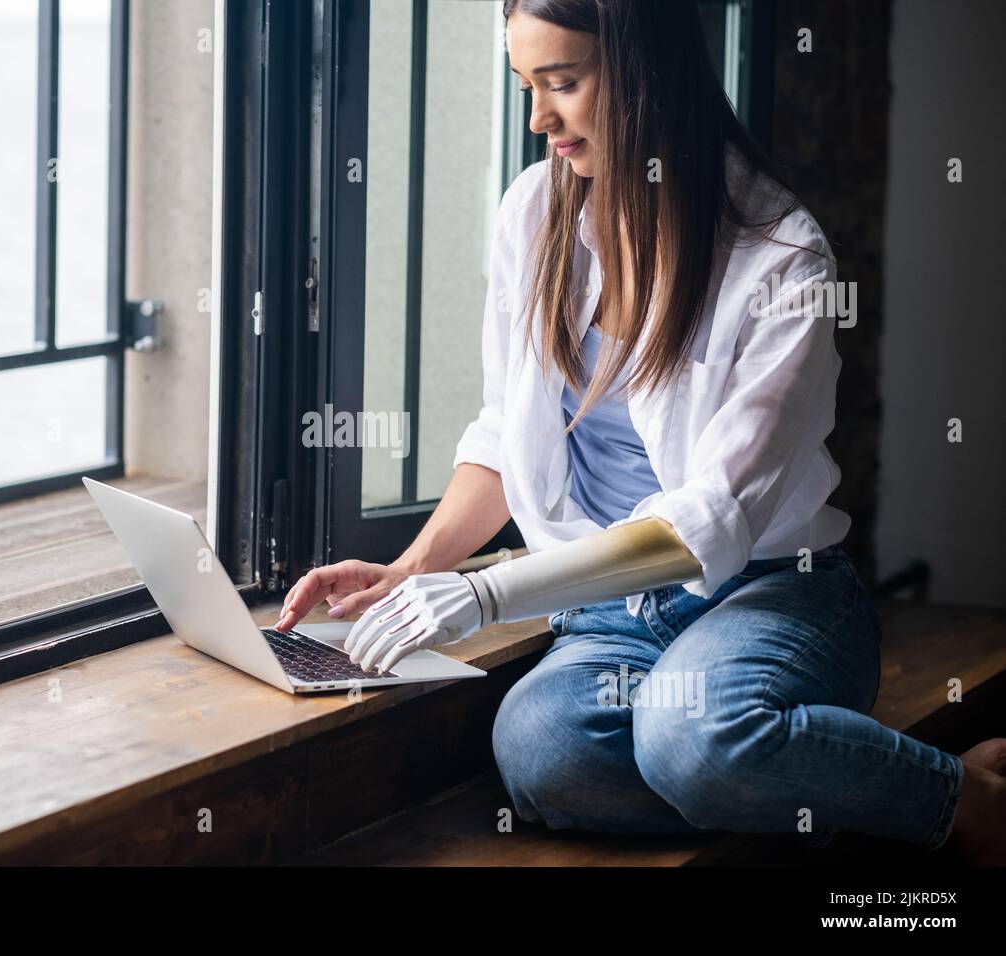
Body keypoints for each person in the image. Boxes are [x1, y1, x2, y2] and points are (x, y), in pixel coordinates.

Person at [274, 0, 1005, 862]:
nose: (539, 118)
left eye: (564, 84)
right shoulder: (533, 216)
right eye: (526, 86)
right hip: (611, 617)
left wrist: (485, 593)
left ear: (645, 71)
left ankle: (968, 804)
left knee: (691, 737)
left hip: (771, 592)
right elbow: (507, 434)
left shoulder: (781, 258)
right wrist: (410, 571)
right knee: (542, 754)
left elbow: (710, 520)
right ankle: (832, 790)